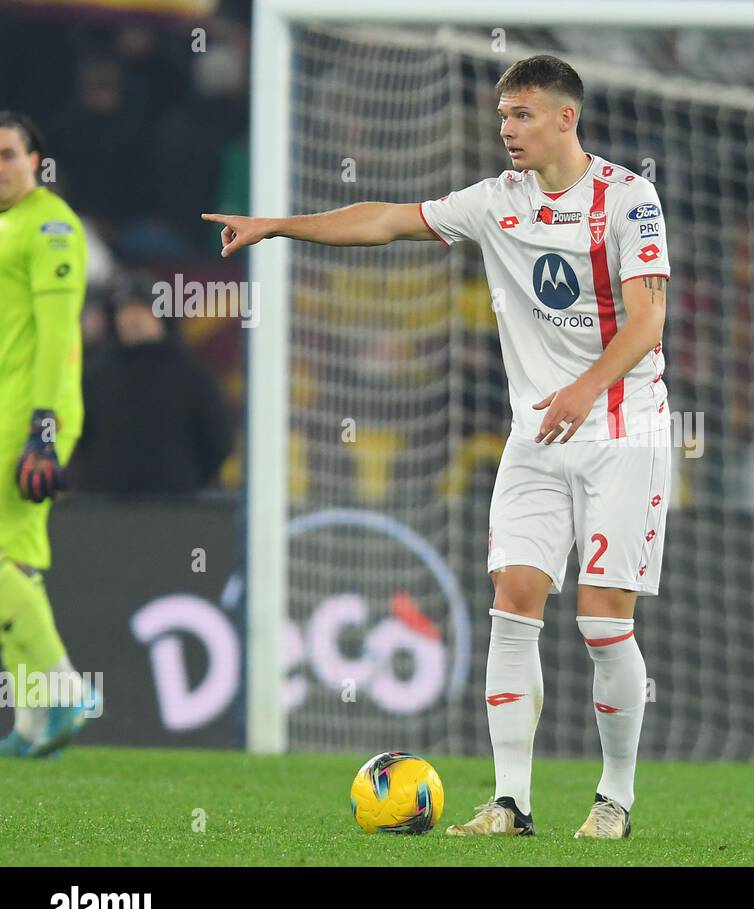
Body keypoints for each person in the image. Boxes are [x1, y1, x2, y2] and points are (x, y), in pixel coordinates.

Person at [203, 54, 671, 839]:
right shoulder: (495, 202)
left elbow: (648, 320)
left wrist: (588, 387)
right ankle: (511, 804)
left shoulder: (629, 198)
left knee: (600, 621)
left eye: (521, 114)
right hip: (535, 435)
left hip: (623, 432)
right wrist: (278, 224)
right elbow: (386, 219)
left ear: (566, 117)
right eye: (501, 115)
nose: (506, 129)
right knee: (513, 604)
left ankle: (613, 799)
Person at [0, 111, 98, 757]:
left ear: (36, 160)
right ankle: (35, 719)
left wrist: (42, 427)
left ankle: (64, 689)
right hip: (12, 405)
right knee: (18, 562)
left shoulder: (51, 225)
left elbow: (60, 332)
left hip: (30, 411)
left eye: (8, 153)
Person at [72, 272, 234, 495]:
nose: (133, 319)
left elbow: (219, 439)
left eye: (142, 309)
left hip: (175, 508)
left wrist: (188, 481)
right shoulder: (95, 375)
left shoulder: (192, 374)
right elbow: (77, 436)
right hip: (105, 509)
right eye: (126, 310)